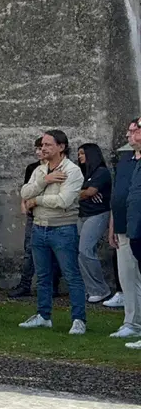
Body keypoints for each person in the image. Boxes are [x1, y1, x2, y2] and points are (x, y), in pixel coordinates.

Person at [19, 129, 87, 334]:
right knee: (43, 275)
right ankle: (43, 315)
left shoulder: (73, 171)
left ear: (61, 147)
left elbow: (64, 201)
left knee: (71, 275)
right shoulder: (40, 170)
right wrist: (45, 181)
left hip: (62, 228)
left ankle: (78, 319)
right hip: (39, 226)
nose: (43, 148)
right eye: (42, 145)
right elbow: (24, 192)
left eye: (48, 145)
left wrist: (37, 200)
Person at [109, 119, 141, 340]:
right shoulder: (125, 162)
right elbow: (118, 195)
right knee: (127, 277)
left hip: (137, 226)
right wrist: (112, 224)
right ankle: (131, 321)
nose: (128, 135)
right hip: (122, 226)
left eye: (133, 130)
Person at [9, 138, 46, 298]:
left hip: (49, 212)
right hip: (33, 214)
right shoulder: (32, 168)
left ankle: (51, 285)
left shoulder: (59, 168)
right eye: (37, 148)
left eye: (41, 148)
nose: (38, 152)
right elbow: (27, 189)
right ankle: (25, 284)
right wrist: (24, 204)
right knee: (29, 250)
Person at [76, 143, 114, 303]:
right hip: (82, 215)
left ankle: (101, 289)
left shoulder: (101, 172)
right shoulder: (82, 174)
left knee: (86, 250)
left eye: (83, 154)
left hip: (98, 214)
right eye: (78, 154)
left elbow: (90, 192)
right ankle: (91, 288)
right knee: (81, 253)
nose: (79, 157)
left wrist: (70, 194)